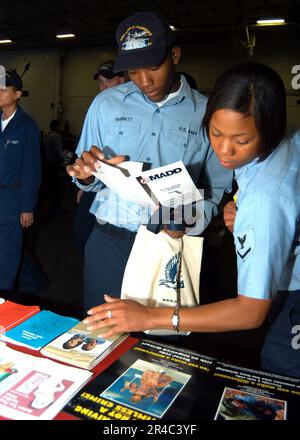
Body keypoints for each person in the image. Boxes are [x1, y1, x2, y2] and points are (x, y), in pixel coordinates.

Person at [84, 62, 300, 379]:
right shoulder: (287, 145)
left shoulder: (267, 199)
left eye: (241, 140)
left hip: (286, 296)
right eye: (215, 133)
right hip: (111, 240)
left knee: (282, 372)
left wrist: (151, 318)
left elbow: (250, 311)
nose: (225, 151)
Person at [67, 11, 232, 311]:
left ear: (175, 55)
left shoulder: (208, 113)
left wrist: (190, 219)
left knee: (156, 345)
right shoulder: (105, 104)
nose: (145, 81)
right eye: (132, 72)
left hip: (166, 246)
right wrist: (86, 175)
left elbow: (217, 189)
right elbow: (85, 173)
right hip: (108, 242)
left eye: (154, 67)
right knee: (100, 336)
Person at [73, 60, 126, 257]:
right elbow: (86, 146)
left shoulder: (132, 107)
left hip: (119, 184)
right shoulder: (99, 106)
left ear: (122, 79)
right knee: (81, 232)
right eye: (101, 81)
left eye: (109, 81)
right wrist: (82, 184)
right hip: (96, 180)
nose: (104, 86)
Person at [0, 68, 41, 295]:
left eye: (4, 89)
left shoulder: (27, 126)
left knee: (6, 259)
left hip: (12, 200)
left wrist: (27, 207)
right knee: (10, 249)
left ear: (18, 95)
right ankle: (34, 282)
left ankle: (3, 301)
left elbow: (31, 170)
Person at [43, 119, 63, 215]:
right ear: (57, 127)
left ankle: (52, 208)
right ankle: (56, 209)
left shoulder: (48, 136)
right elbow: (58, 152)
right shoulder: (56, 136)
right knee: (56, 187)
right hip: (54, 164)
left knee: (51, 186)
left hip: (48, 163)